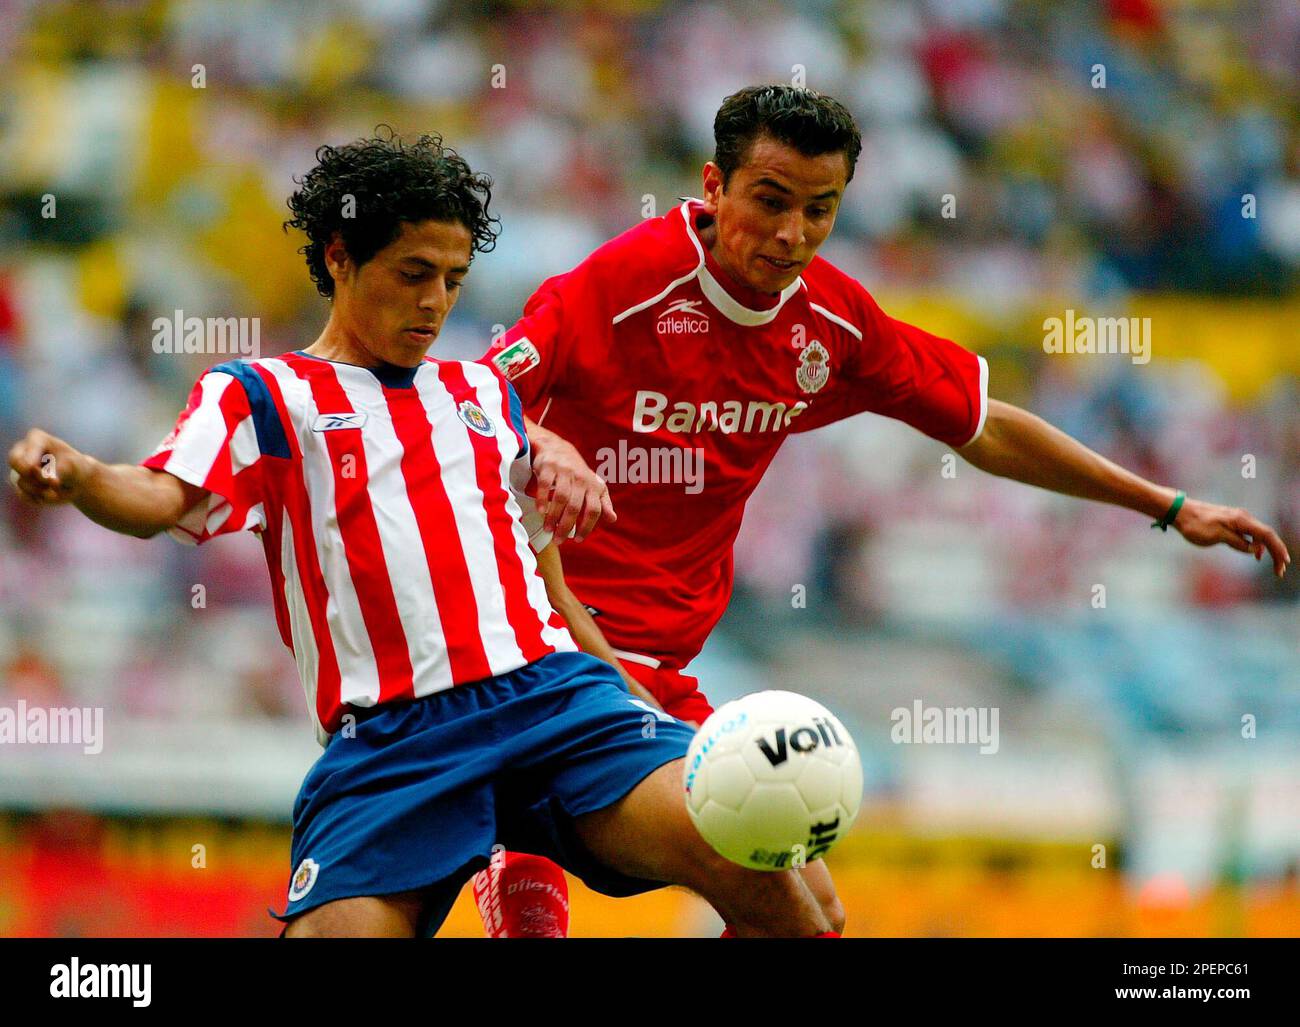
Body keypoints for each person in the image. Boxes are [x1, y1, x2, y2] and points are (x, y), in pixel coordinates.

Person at [480, 85, 1292, 937]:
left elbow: (986, 427)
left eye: (819, 209)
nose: (792, 233)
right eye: (770, 201)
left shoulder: (830, 322)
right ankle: (514, 846)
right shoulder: (622, 284)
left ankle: (518, 844)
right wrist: (540, 440)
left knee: (816, 916)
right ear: (714, 187)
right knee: (740, 879)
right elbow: (469, 400)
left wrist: (1167, 505)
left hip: (664, 670)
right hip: (547, 643)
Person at [6, 131, 840, 938]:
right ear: (340, 257)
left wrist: (634, 699)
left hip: (554, 701)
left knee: (781, 884)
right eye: (413, 273)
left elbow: (551, 589)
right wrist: (80, 476)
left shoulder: (484, 392)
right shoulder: (263, 394)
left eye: (452, 277)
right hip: (394, 746)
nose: (436, 301)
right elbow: (158, 495)